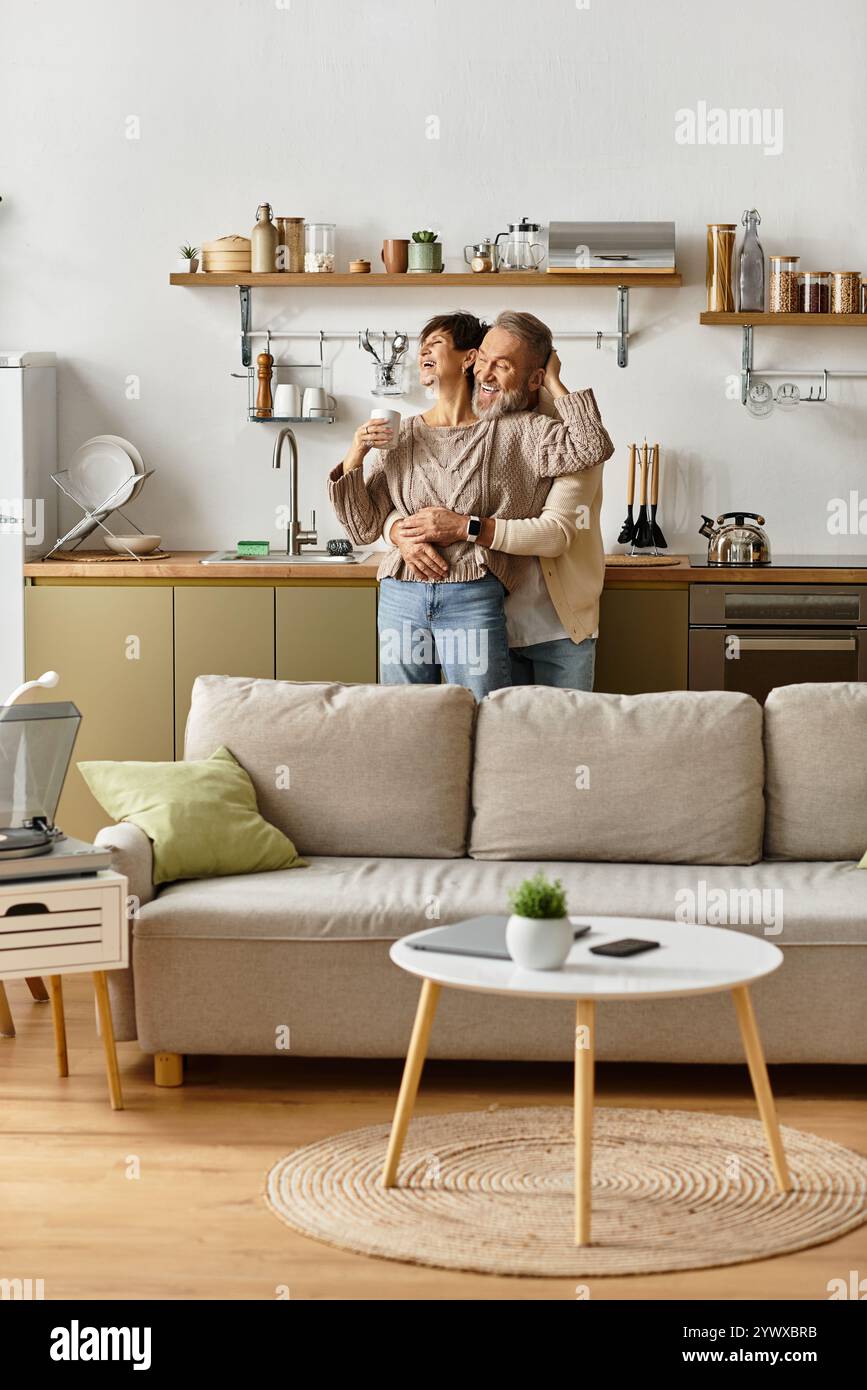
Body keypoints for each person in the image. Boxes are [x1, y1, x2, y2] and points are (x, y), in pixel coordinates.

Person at [328, 311, 612, 699]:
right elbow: (363, 527)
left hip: (476, 593)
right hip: (400, 591)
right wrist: (356, 456)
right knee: (403, 714)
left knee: (485, 716)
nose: (488, 371)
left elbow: (591, 446)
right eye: (487, 360)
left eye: (436, 343)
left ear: (467, 356)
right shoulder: (405, 432)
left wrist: (553, 380)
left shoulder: (519, 430)